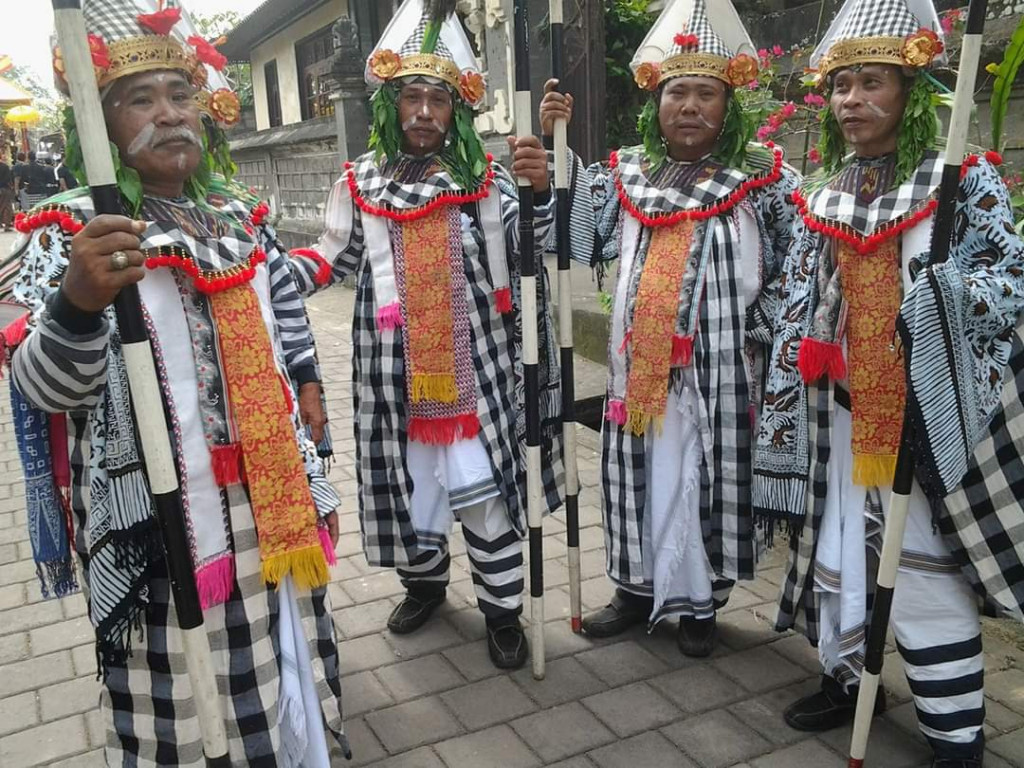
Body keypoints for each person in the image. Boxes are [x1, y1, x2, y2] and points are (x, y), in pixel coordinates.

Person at [6, 1, 347, 764]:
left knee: (284, 647)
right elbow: (39, 388)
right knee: (183, 695)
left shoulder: (237, 215)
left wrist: (308, 382)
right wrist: (76, 303)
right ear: (98, 122)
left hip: (269, 488)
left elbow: (284, 311)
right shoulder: (68, 233)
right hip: (158, 516)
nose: (169, 114)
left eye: (180, 94)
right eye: (141, 99)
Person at [752, 0, 1024, 765]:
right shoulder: (823, 191)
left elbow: (1010, 280)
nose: (851, 100)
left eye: (871, 82)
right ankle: (845, 680)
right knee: (839, 552)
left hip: (923, 420)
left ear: (911, 90)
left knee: (924, 571)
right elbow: (799, 294)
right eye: (842, 85)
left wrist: (948, 295)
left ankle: (955, 736)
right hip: (839, 412)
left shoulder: (961, 180)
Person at [288, 0, 563, 670]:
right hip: (394, 381)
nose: (422, 112)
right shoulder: (359, 182)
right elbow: (329, 258)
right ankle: (426, 587)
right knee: (411, 490)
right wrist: (263, 275)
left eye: (437, 99)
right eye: (409, 97)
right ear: (390, 106)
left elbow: (533, 249)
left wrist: (542, 190)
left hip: (478, 377)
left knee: (486, 495)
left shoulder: (486, 179)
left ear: (456, 111)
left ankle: (502, 611)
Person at [539, 0, 799, 657]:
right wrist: (557, 161)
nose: (688, 106)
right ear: (656, 103)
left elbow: (798, 269)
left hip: (723, 372)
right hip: (637, 372)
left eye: (705, 93)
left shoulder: (766, 180)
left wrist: (748, 329)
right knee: (638, 474)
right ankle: (634, 591)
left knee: (706, 478)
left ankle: (701, 604)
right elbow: (578, 238)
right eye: (676, 92)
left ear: (728, 104)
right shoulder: (626, 175)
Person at [0, 153, 12, 231]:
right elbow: (8, 178)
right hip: (4, 189)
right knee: (6, 207)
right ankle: (7, 225)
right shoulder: (5, 167)